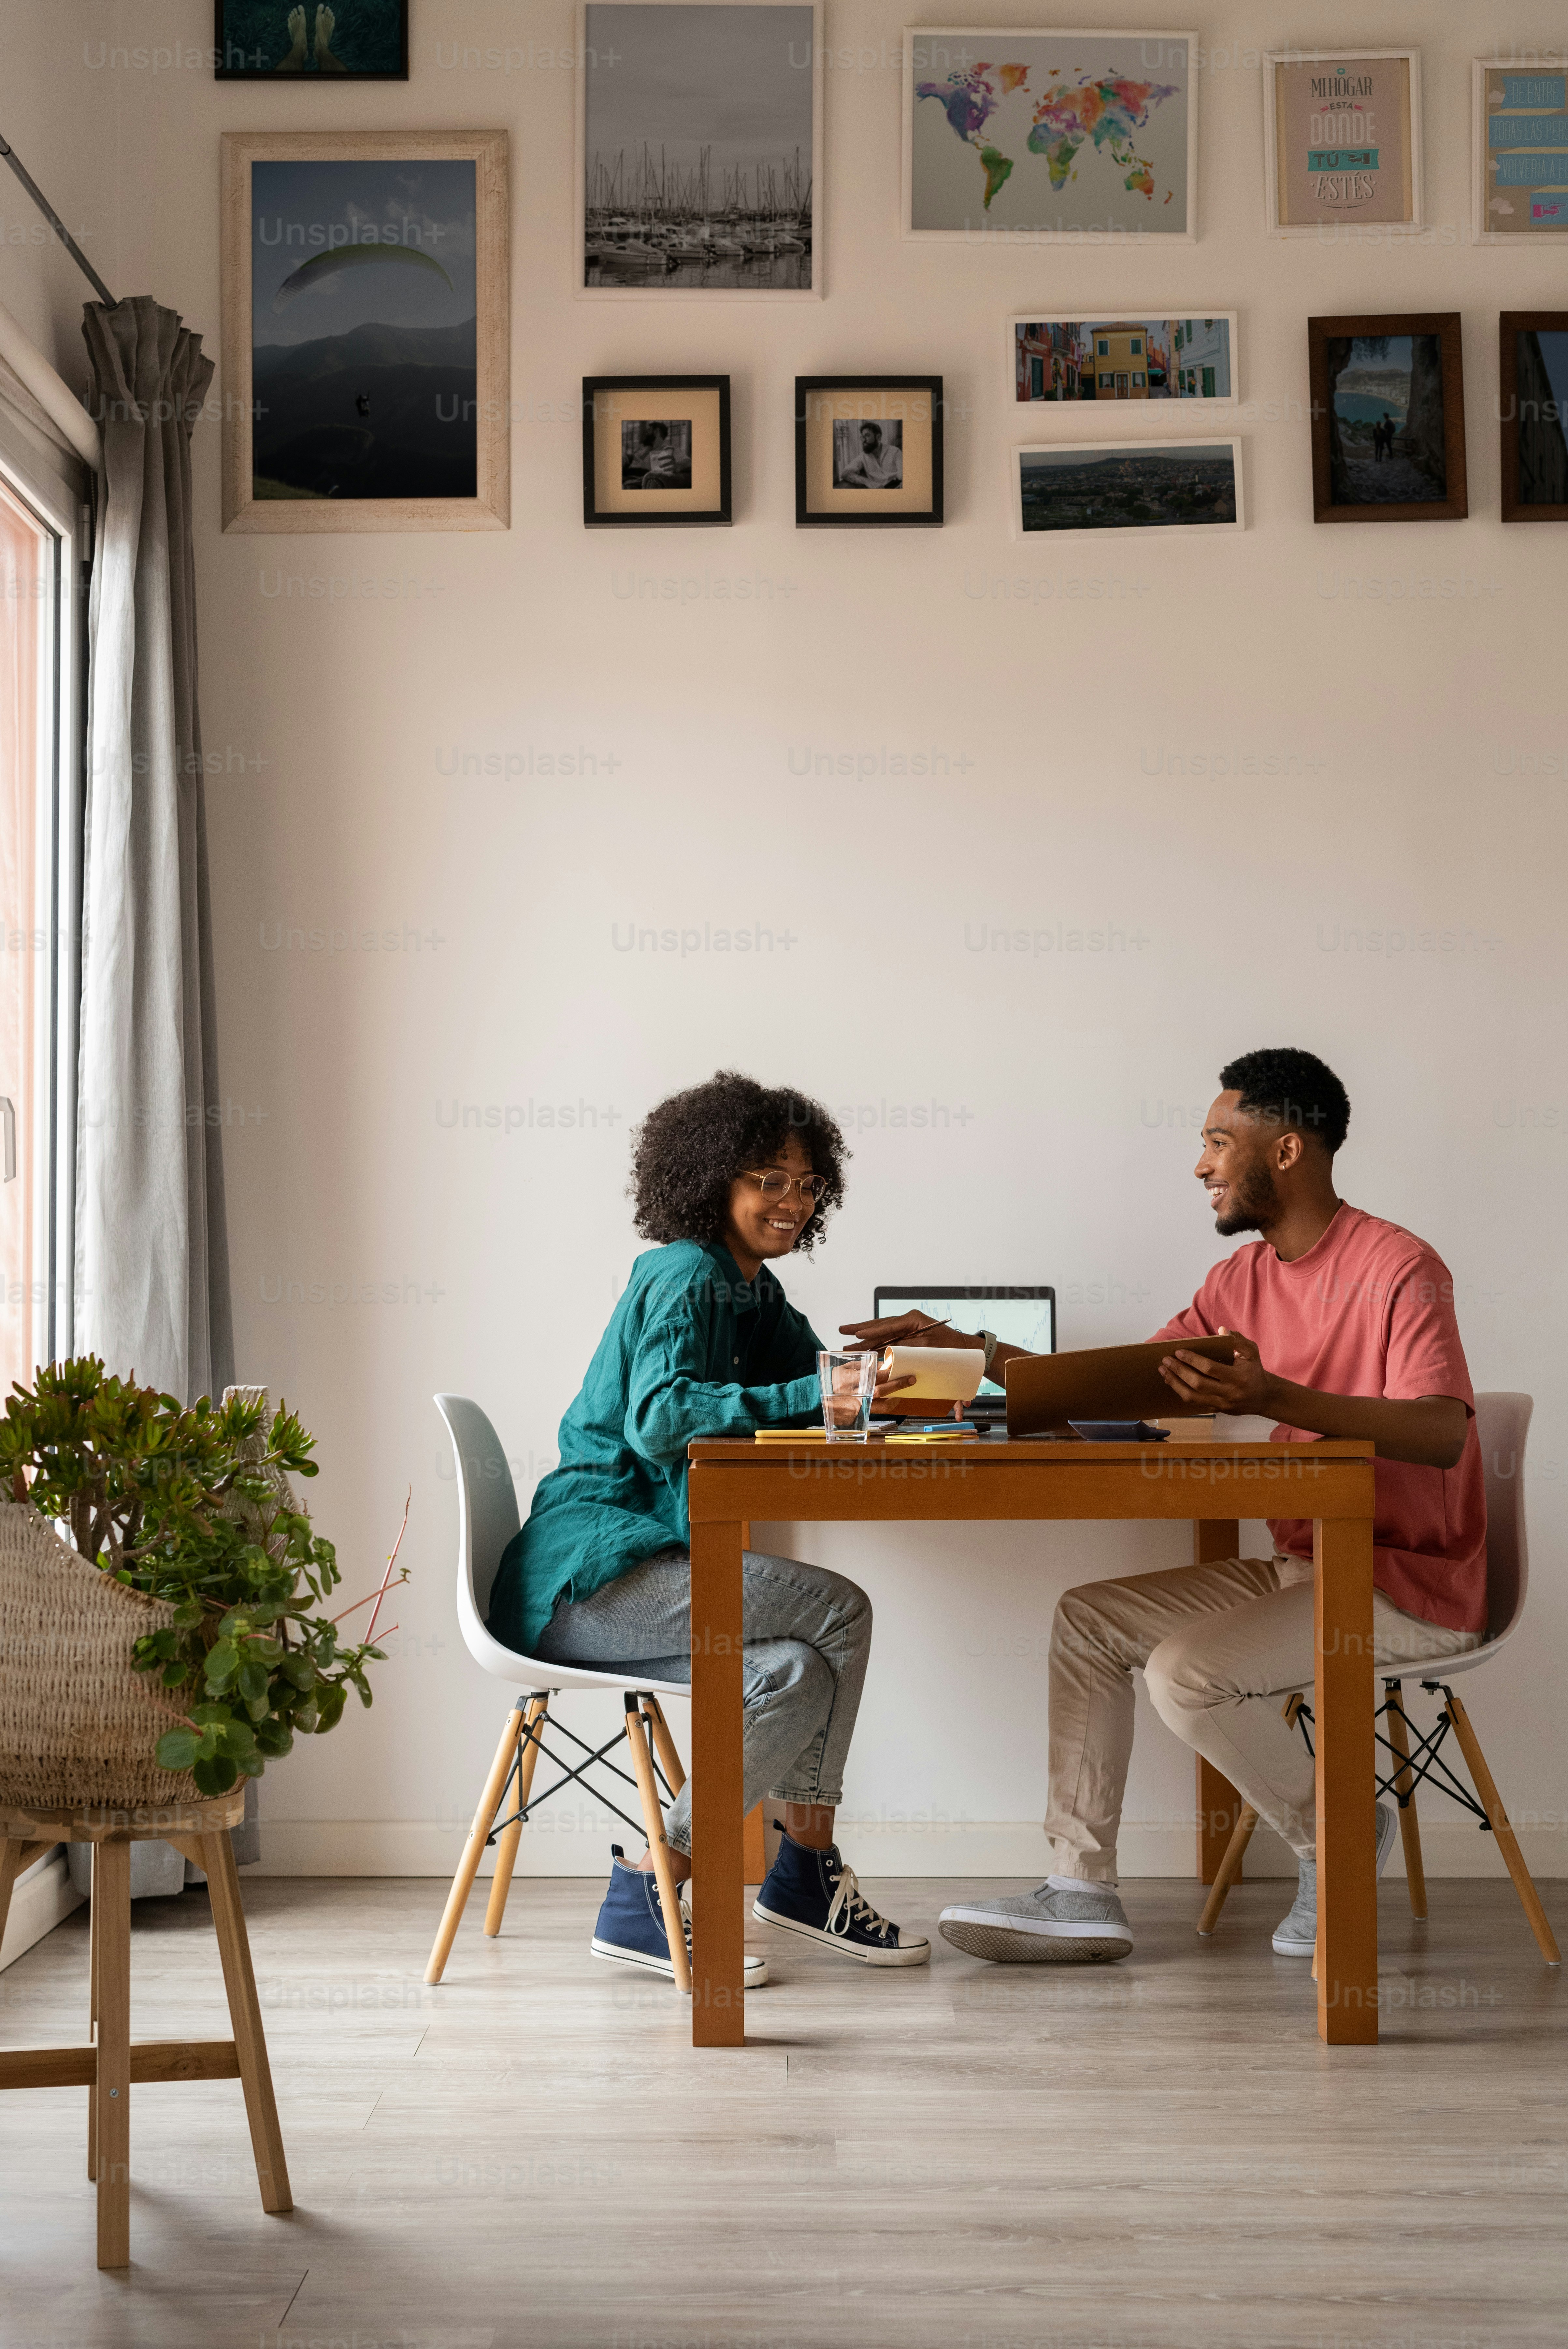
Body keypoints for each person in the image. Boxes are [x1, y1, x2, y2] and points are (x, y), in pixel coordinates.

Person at [841, 1047, 1485, 1966]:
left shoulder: (1398, 1264)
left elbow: (1439, 1433)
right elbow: (1117, 1390)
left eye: (1218, 1141)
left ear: (1287, 1150)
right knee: (1090, 1618)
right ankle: (1079, 1890)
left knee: (1184, 1671)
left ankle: (1337, 1834)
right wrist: (968, 1347)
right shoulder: (1238, 1282)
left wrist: (1274, 1398)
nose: (1200, 1165)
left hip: (1407, 1580)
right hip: (1306, 1562)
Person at [486, 1070, 930, 1986]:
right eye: (768, 1177)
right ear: (712, 1177)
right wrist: (823, 1388)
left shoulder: (748, 1289)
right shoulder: (686, 1272)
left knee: (795, 1674)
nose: (790, 1200)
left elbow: (811, 1374)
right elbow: (659, 1417)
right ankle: (789, 1877)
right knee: (839, 1611)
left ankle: (659, 1887)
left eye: (805, 1184)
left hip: (633, 1575)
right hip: (589, 1576)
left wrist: (873, 1360)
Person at [839, 421, 903, 490]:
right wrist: (868, 482)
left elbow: (902, 474)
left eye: (867, 436)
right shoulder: (863, 456)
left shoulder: (895, 451)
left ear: (878, 437)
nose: (864, 440)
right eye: (862, 437)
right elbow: (845, 473)